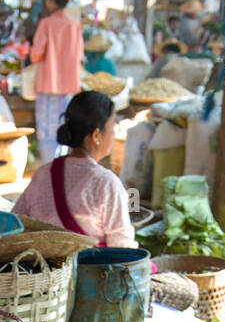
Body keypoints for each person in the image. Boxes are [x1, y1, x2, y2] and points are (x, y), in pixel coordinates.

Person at [13, 92, 135, 247]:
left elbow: (15, 222)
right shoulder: (106, 182)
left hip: (45, 266)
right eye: (112, 127)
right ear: (96, 135)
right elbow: (122, 248)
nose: (114, 133)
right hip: (90, 270)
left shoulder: (42, 174)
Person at [30, 0, 83, 164]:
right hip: (69, 87)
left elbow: (35, 55)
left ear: (52, 1)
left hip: (48, 86)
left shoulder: (46, 24)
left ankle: (50, 170)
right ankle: (63, 167)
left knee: (46, 132)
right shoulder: (74, 26)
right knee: (65, 127)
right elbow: (79, 55)